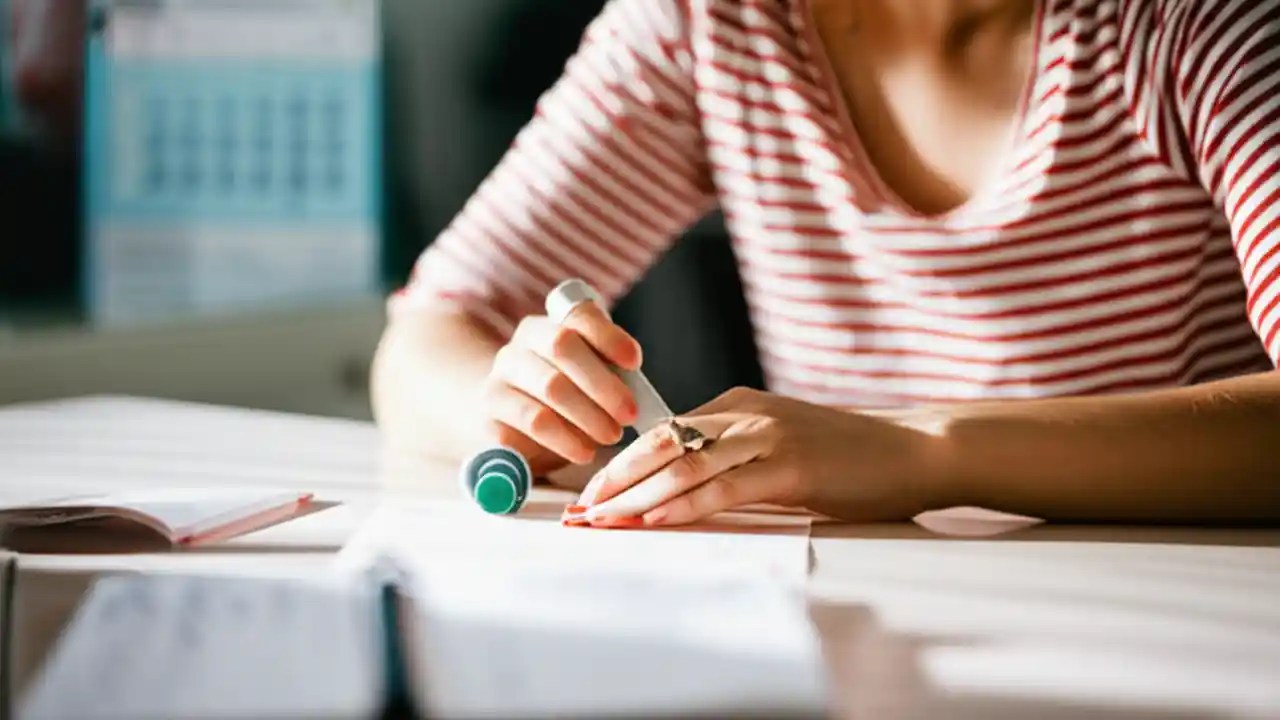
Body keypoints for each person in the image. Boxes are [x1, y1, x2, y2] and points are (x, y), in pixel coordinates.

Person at [373, 0, 1280, 526]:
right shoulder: (711, 23)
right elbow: (428, 332)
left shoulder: (1194, 28)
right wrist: (512, 410)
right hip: (850, 619)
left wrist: (926, 451)